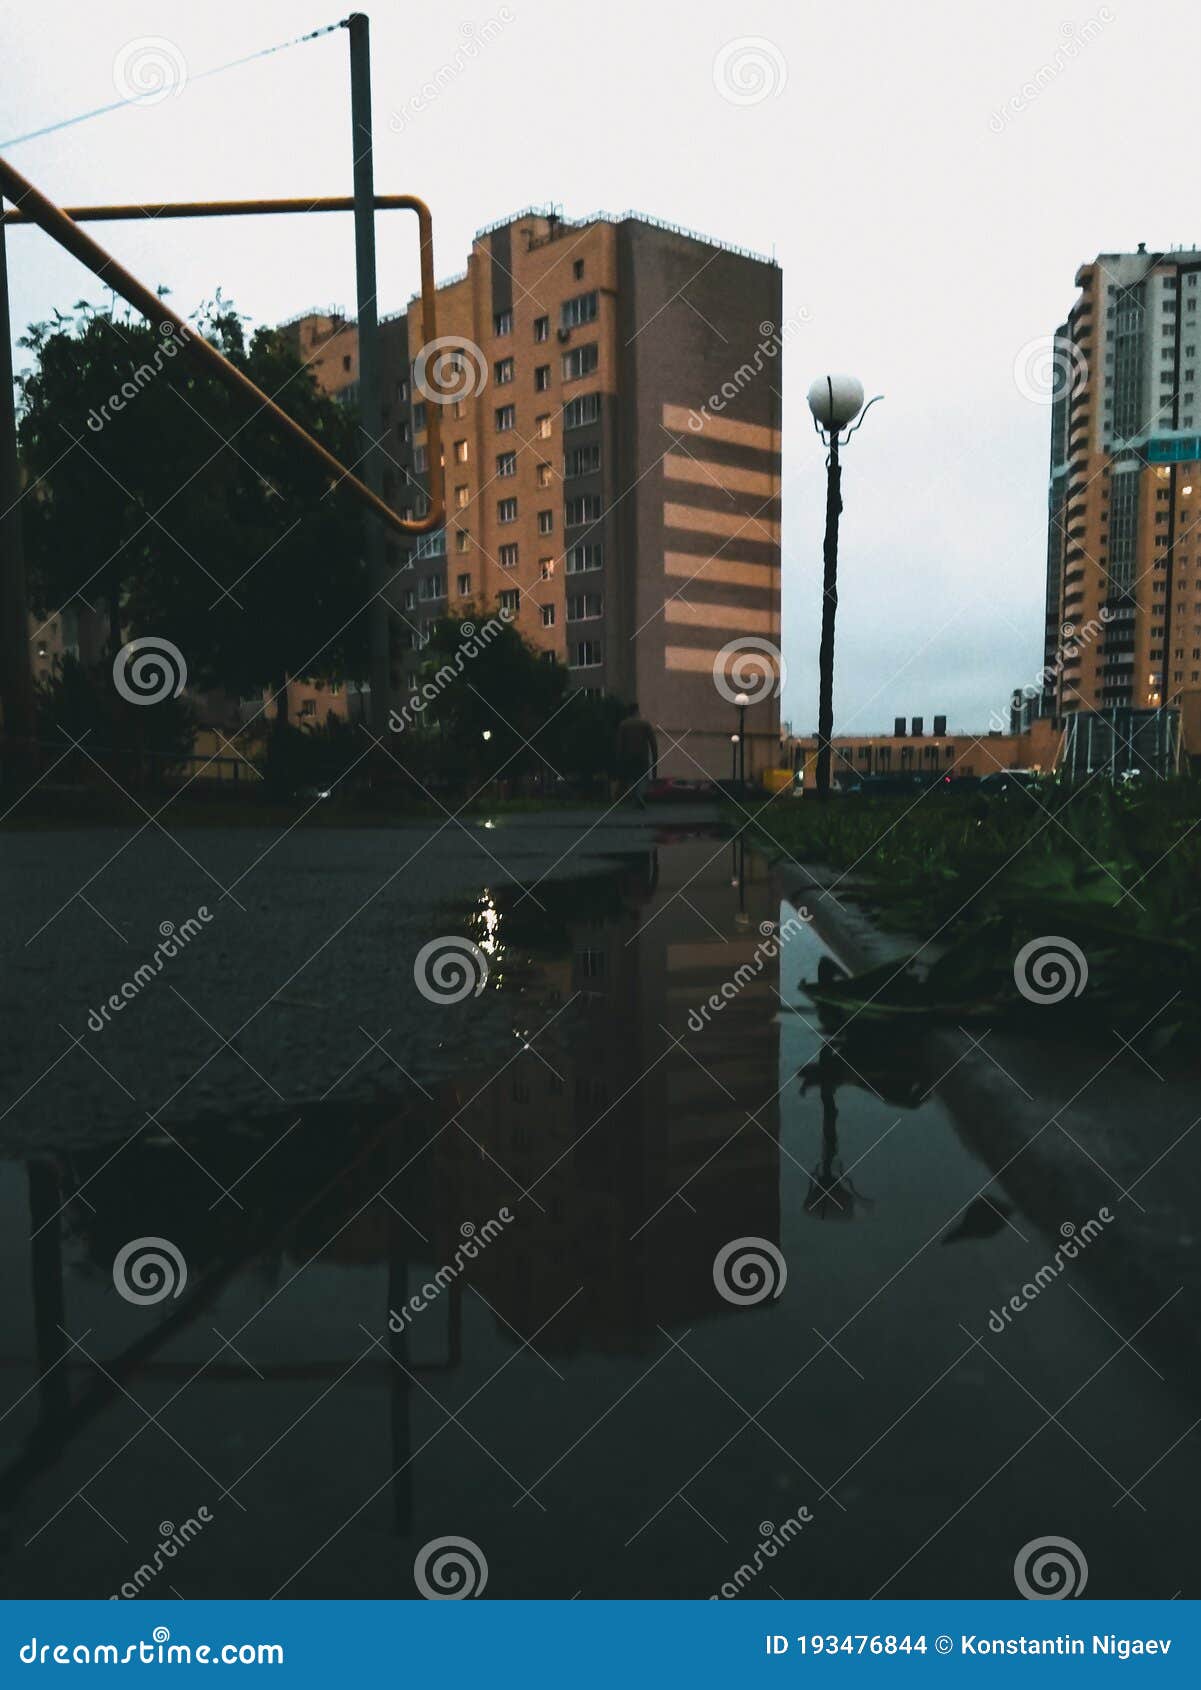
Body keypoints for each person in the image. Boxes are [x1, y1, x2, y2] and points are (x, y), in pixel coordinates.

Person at [616, 706, 658, 808]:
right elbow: (653, 742)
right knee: (642, 778)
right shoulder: (645, 724)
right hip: (642, 756)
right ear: (637, 712)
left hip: (628, 756)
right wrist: (655, 757)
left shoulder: (623, 725)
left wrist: (619, 758)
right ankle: (639, 796)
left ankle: (636, 798)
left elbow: (620, 744)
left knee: (631, 778)